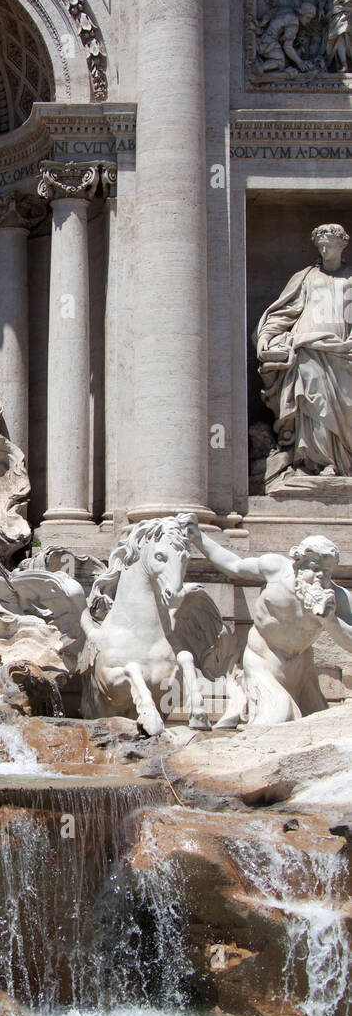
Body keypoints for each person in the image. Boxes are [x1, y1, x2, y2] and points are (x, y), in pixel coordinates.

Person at [187, 522, 352, 725]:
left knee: (321, 723)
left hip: (301, 668)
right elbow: (234, 565)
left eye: (327, 572)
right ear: (298, 563)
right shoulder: (276, 570)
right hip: (262, 659)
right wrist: (198, 537)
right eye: (314, 568)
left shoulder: (338, 597)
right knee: (278, 716)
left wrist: (330, 620)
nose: (320, 576)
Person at [256, 222, 352, 476]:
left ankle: (344, 461)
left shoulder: (351, 276)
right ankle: (320, 461)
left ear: (342, 245)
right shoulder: (306, 276)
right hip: (307, 345)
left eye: (329, 244)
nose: (324, 248)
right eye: (320, 245)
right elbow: (286, 310)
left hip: (343, 351)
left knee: (344, 405)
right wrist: (267, 334)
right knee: (313, 400)